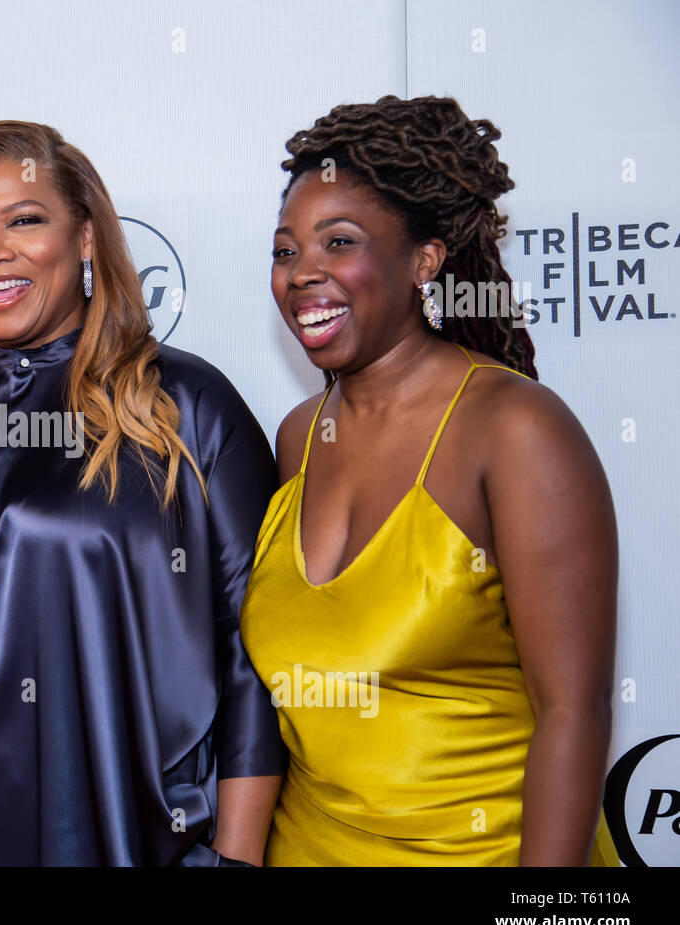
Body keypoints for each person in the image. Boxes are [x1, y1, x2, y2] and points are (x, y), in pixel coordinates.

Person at [0, 121, 285, 866]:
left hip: (128, 835)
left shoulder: (184, 404)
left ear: (86, 238)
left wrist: (237, 858)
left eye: (24, 219)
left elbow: (255, 645)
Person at [242, 95, 620, 865]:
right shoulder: (297, 440)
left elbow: (572, 714)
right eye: (285, 251)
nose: (302, 273)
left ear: (425, 260)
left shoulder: (515, 431)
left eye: (337, 243)